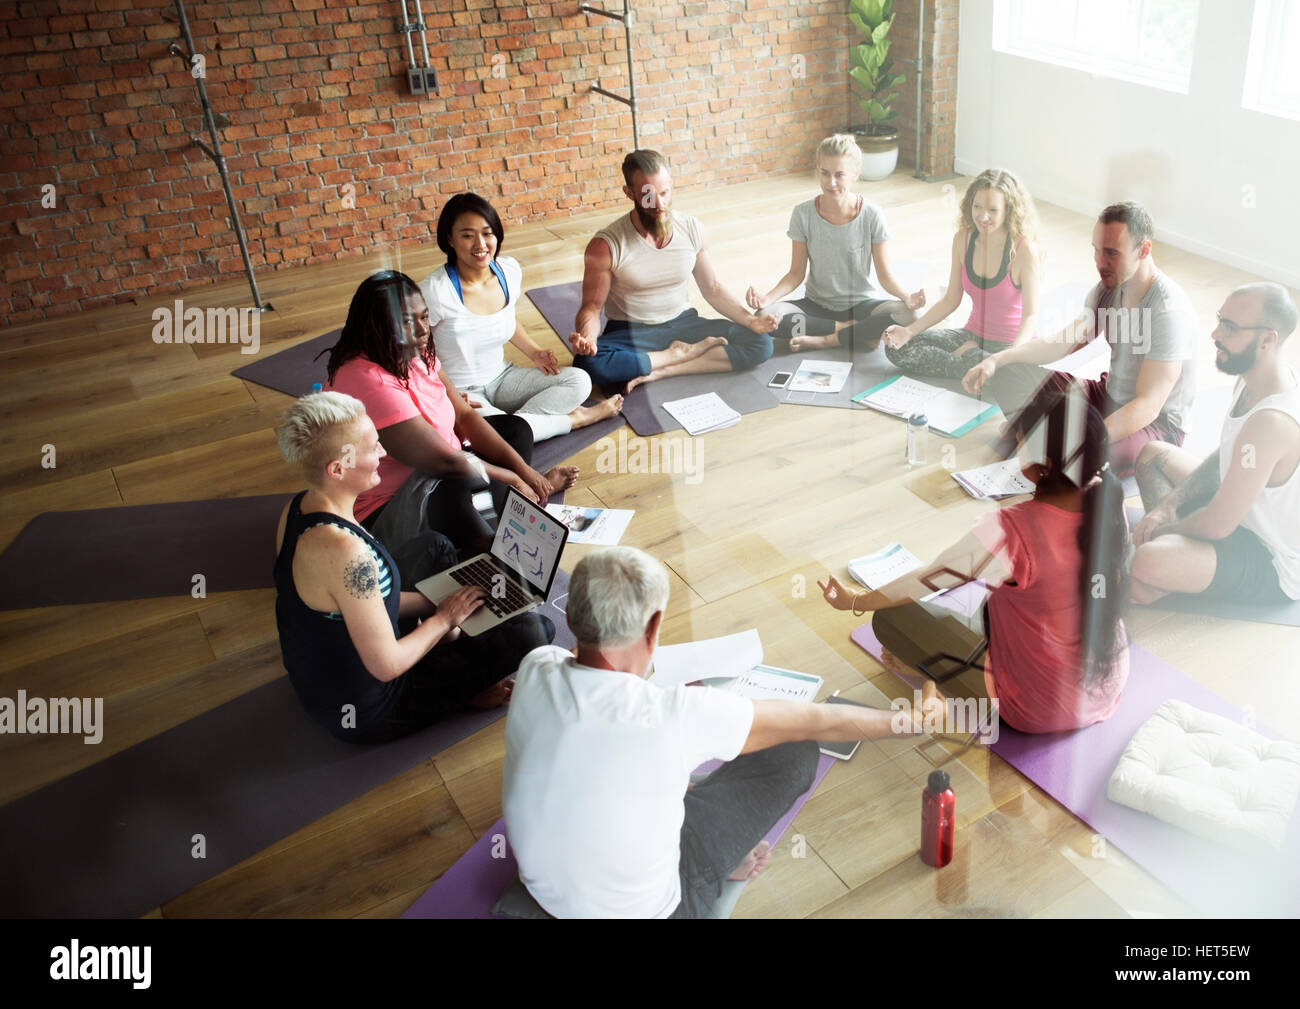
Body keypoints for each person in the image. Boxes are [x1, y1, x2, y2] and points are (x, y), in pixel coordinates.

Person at [501, 546, 935, 918]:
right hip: (660, 909)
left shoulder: (536, 665)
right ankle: (721, 860)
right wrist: (909, 722)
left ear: (572, 617)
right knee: (795, 749)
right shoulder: (673, 715)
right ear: (653, 628)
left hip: (544, 895)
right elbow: (815, 720)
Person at [819, 380, 1131, 734]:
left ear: (1041, 465)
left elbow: (924, 581)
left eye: (1021, 439)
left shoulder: (1010, 531)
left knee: (894, 617)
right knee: (990, 607)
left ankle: (933, 675)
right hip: (1107, 684)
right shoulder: (1109, 501)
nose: (1015, 443)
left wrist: (856, 601)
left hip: (1041, 706)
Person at [272, 391, 553, 743]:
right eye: (372, 447)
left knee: (433, 545)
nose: (383, 453)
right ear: (338, 468)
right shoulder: (346, 553)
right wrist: (443, 619)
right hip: (372, 707)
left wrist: (441, 600)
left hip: (323, 682)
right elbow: (386, 664)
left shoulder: (297, 509)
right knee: (532, 631)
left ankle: (451, 645)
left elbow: (361, 601)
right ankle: (463, 690)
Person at [324, 271, 578, 580]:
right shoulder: (367, 380)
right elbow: (442, 462)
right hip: (389, 508)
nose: (421, 330)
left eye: (423, 318)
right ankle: (491, 547)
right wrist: (513, 476)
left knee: (514, 430)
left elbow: (465, 416)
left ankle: (502, 523)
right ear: (376, 325)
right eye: (406, 322)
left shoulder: (414, 352)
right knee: (455, 482)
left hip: (443, 471)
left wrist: (522, 472)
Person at [963, 201, 1197, 476]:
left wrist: (1091, 437)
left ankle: (1041, 439)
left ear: (1144, 250)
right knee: (1009, 372)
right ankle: (1037, 439)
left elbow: (1149, 405)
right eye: (1096, 251)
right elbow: (1064, 343)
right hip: (1107, 396)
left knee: (1078, 459)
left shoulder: (1168, 311)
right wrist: (997, 359)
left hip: (1156, 425)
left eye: (1112, 253)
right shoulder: (1108, 291)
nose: (1100, 263)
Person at [1130, 282, 1300, 605]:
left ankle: (1164, 569)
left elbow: (1217, 524)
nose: (1215, 334)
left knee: (1145, 561)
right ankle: (1171, 570)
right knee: (1153, 455)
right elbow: (1228, 456)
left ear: (1267, 340)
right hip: (1238, 504)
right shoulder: (1251, 378)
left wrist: (1160, 530)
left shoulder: (1271, 423)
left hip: (1267, 556)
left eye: (1230, 327)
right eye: (1221, 319)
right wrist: (1166, 508)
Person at [568, 150, 779, 393]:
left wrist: (751, 321)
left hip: (683, 323)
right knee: (587, 363)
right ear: (630, 193)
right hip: (632, 331)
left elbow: (712, 288)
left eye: (665, 193)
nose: (659, 204)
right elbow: (592, 308)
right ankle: (675, 355)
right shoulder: (606, 244)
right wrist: (588, 339)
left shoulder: (691, 228)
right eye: (648, 195)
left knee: (760, 343)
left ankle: (664, 367)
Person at [421, 193, 623, 442]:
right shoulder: (434, 292)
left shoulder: (508, 270)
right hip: (463, 392)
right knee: (489, 434)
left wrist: (535, 352)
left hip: (504, 377)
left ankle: (517, 429)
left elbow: (507, 319)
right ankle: (576, 419)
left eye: (487, 233)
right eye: (467, 235)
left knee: (580, 381)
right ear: (449, 239)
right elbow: (416, 354)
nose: (480, 244)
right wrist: (447, 396)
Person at [746, 134, 924, 352]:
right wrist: (767, 298)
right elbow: (795, 274)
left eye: (839, 175)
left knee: (909, 315)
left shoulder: (873, 214)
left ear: (855, 175)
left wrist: (907, 297)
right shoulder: (802, 213)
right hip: (815, 306)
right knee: (764, 317)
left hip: (862, 305)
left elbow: (885, 276)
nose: (831, 182)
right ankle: (854, 331)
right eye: (825, 173)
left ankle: (824, 339)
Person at [882, 168, 1041, 378]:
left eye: (993, 210)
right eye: (977, 207)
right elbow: (951, 299)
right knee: (897, 348)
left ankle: (982, 366)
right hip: (972, 337)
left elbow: (1031, 315)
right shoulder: (962, 240)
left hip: (1011, 345)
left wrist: (1006, 358)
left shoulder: (1023, 250)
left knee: (1012, 373)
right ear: (969, 205)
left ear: (1008, 211)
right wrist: (909, 331)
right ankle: (976, 368)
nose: (983, 216)